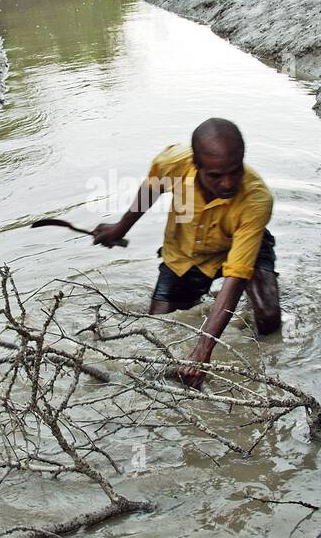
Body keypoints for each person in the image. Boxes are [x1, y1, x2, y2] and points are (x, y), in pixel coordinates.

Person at [91, 118, 280, 388]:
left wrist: (203, 352)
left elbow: (236, 276)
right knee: (159, 328)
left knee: (268, 320)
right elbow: (151, 188)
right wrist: (121, 227)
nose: (227, 183)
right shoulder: (173, 162)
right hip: (186, 255)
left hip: (242, 245)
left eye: (235, 171)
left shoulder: (256, 198)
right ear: (196, 165)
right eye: (215, 175)